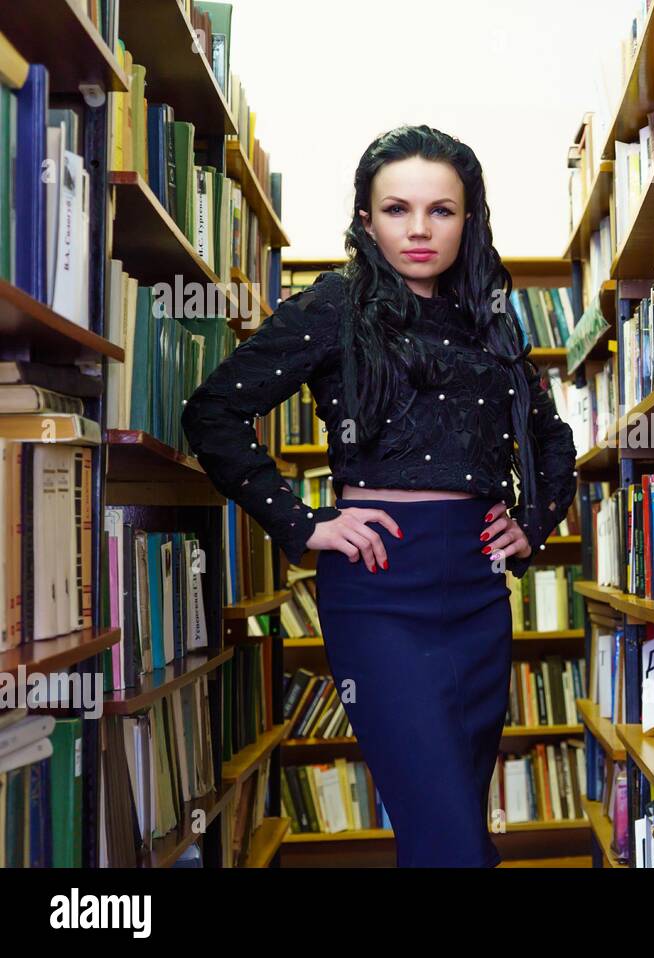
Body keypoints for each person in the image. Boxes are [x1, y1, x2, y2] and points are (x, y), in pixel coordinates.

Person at [181, 125, 577, 867]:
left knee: (450, 819)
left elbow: (551, 436)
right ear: (366, 219)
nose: (420, 229)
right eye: (397, 209)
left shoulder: (491, 316)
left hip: (480, 589)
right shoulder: (333, 304)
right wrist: (305, 524)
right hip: (378, 587)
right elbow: (213, 412)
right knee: (451, 844)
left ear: (470, 218)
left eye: (442, 211)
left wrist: (532, 523)